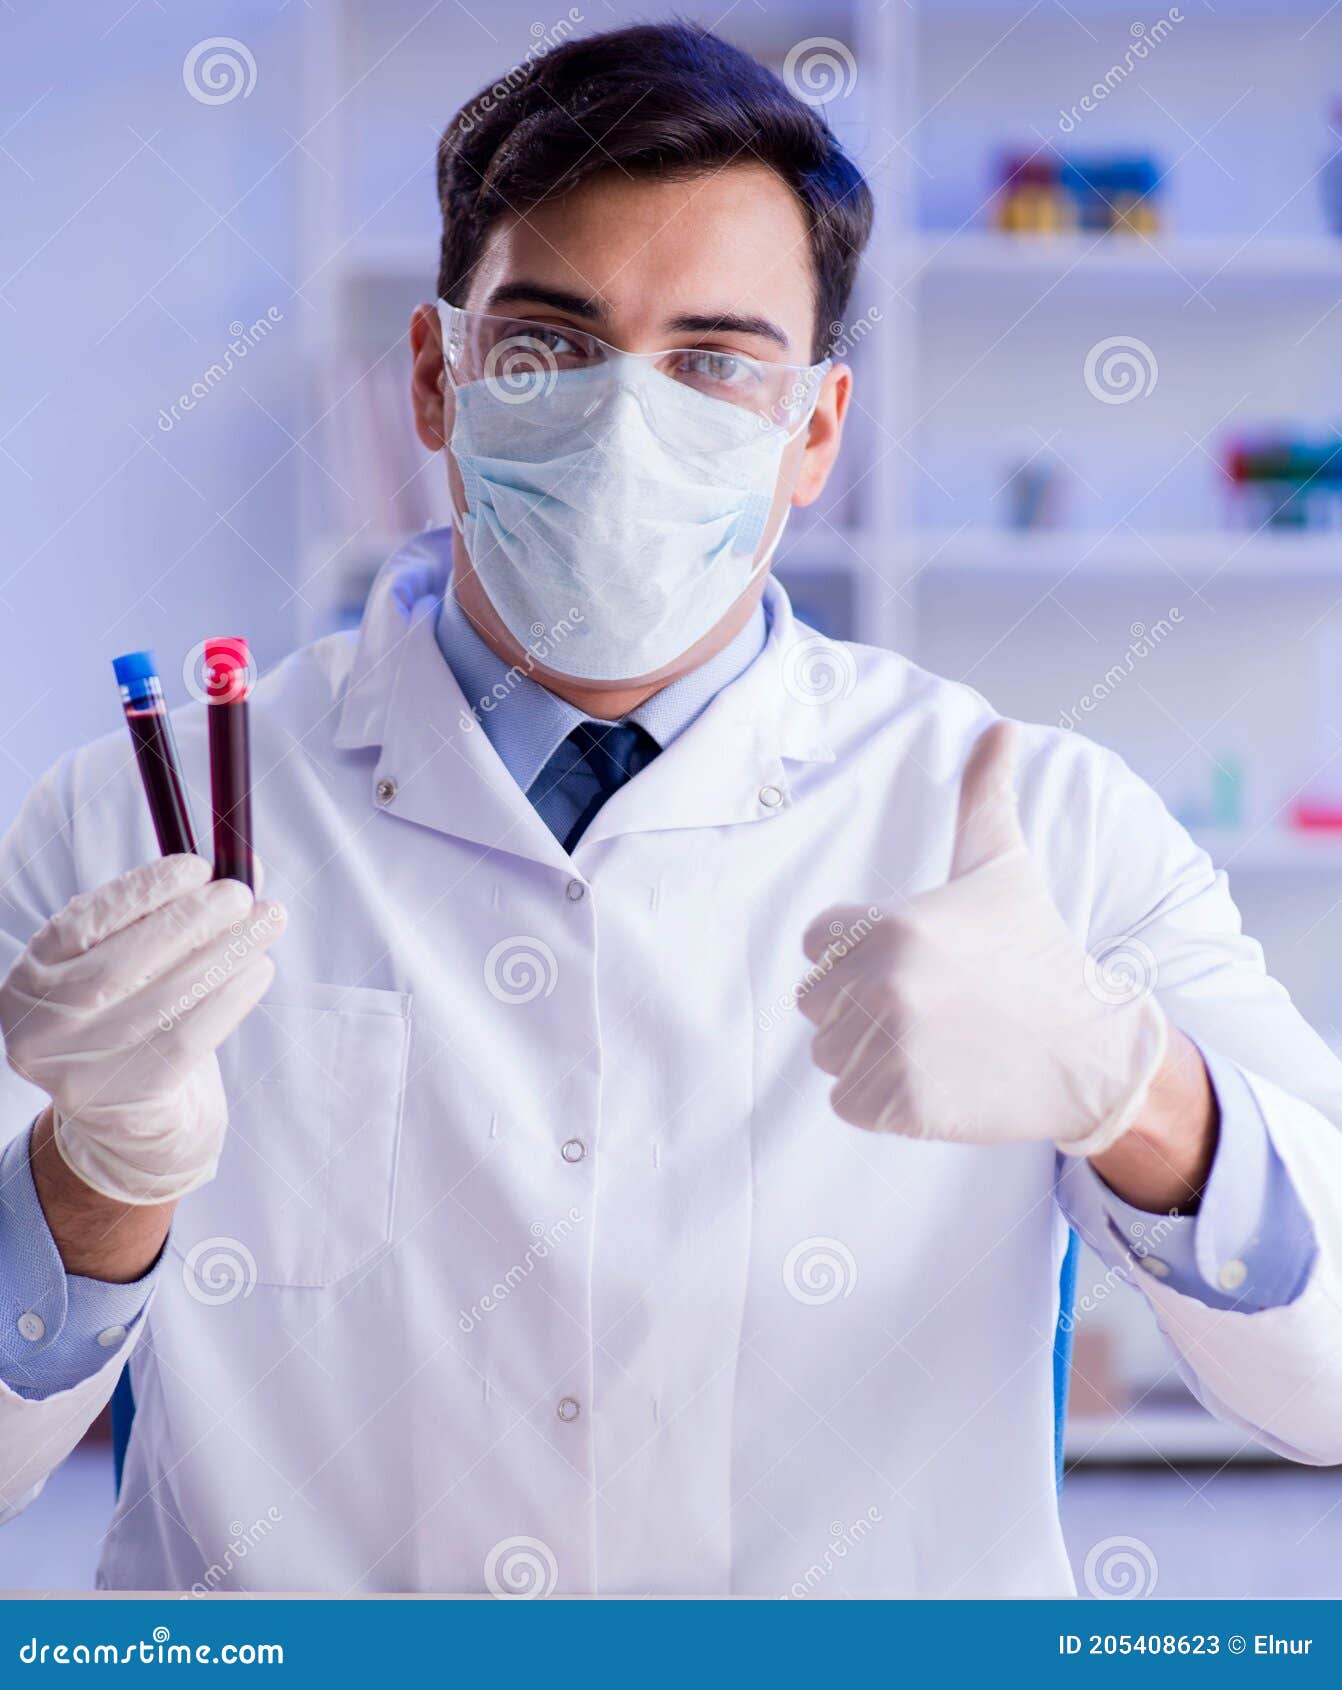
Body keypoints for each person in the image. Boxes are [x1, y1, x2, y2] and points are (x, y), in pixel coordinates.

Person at [0, 21, 1339, 1598]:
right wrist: (102, 1173)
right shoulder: (135, 827)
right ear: (434, 377)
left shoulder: (1036, 820)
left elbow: (1318, 1389)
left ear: (814, 432)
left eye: (713, 360)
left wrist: (1137, 1090)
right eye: (549, 343)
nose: (625, 423)